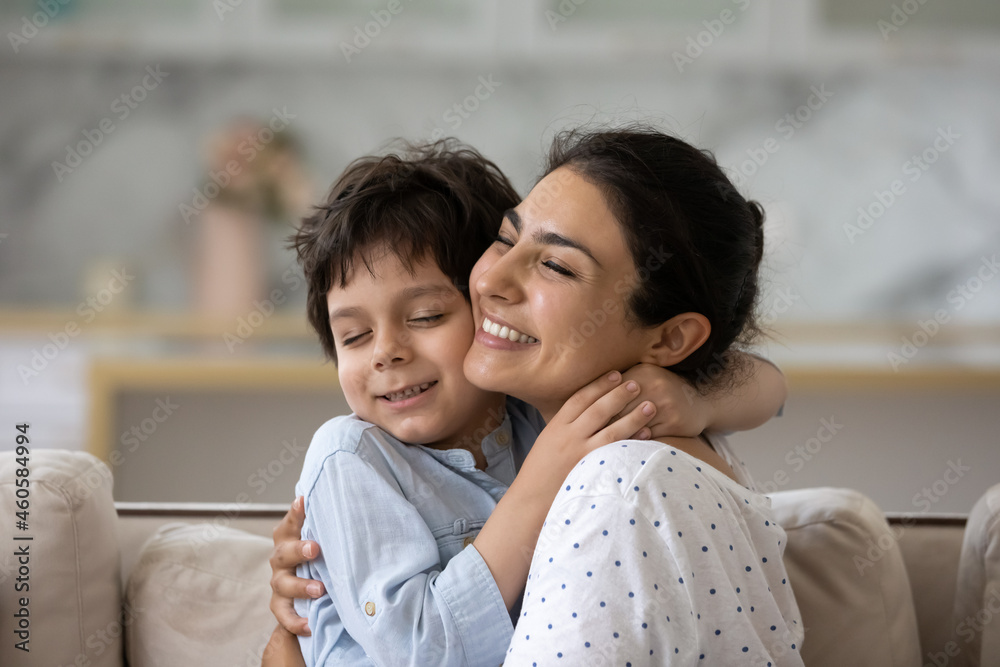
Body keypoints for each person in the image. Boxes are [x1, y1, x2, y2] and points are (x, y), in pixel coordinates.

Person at [262, 135, 791, 666]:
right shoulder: (353, 455)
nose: (385, 354)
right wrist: (542, 478)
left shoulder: (563, 431)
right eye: (352, 337)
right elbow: (419, 651)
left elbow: (765, 384)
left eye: (425, 317)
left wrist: (697, 399)